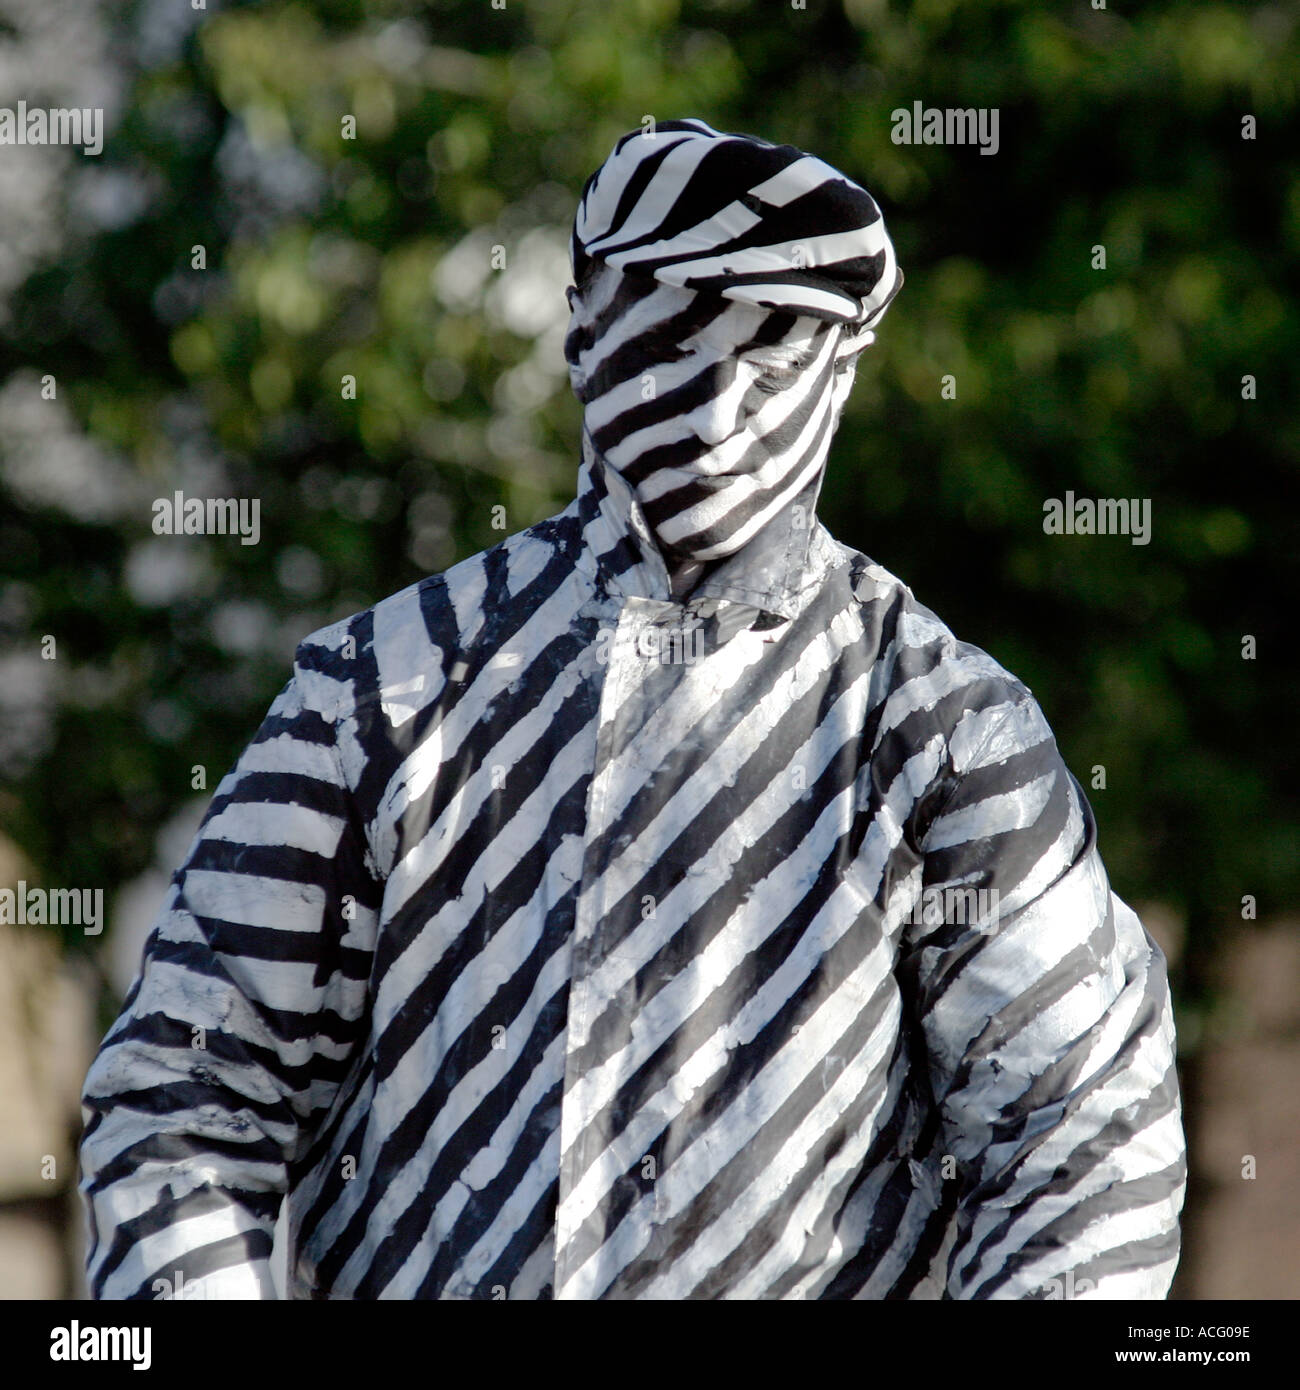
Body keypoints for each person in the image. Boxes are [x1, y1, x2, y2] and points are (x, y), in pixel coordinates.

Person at [79, 118, 1186, 1300]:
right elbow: (187, 1098)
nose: (712, 424)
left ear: (842, 371)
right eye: (670, 354)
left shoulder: (943, 732)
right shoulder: (377, 694)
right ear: (582, 329)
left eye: (767, 372)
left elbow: (1083, 1136)